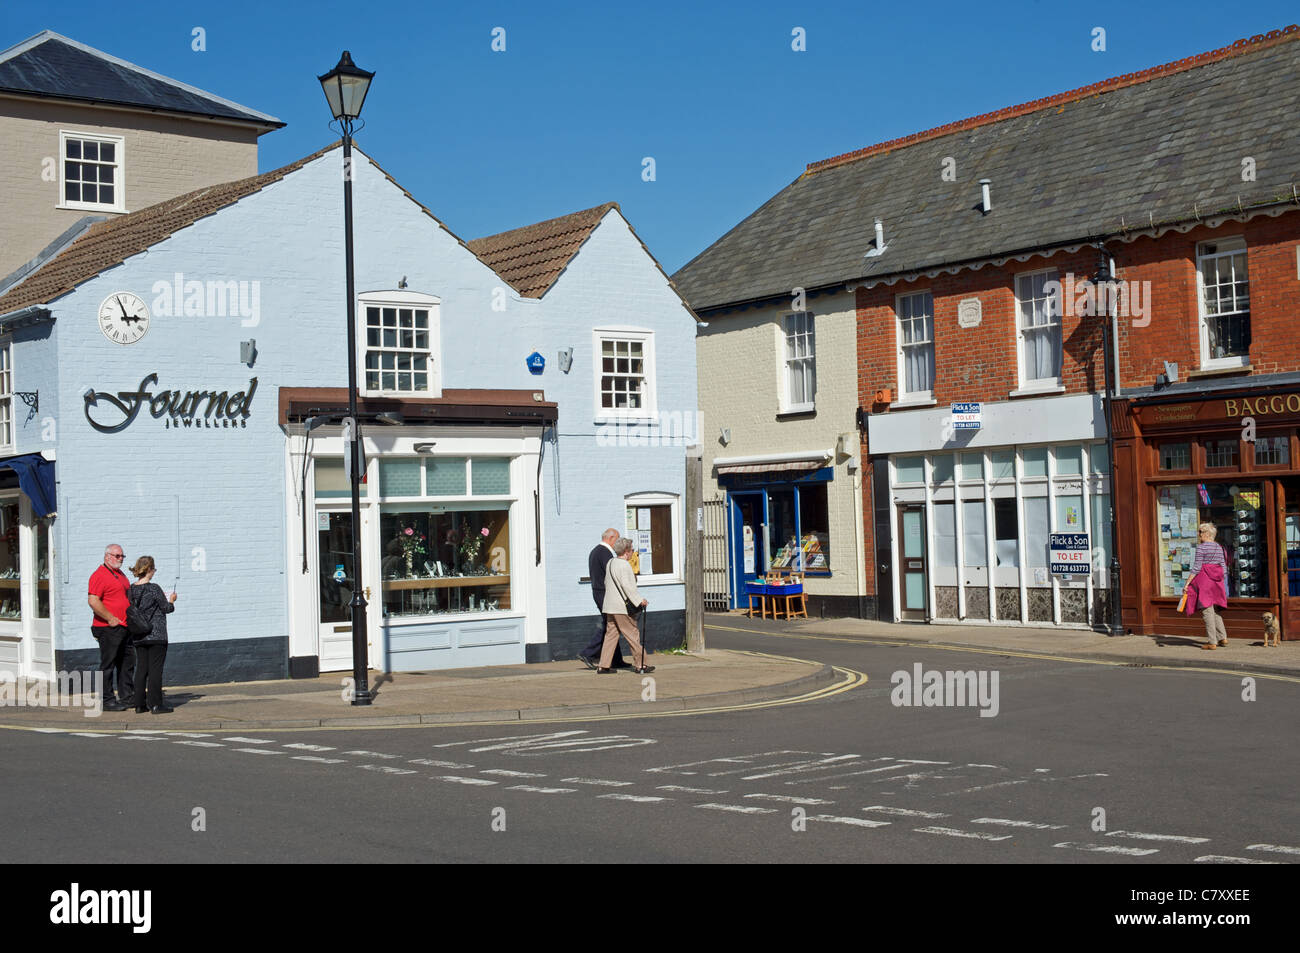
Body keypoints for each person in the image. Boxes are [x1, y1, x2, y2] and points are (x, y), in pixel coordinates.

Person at [126, 556, 177, 713]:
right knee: (155, 670)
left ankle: (139, 704)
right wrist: (172, 600)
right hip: (156, 634)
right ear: (148, 570)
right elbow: (166, 608)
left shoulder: (131, 589)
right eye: (153, 569)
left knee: (141, 669)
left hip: (139, 635)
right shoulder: (154, 588)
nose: (154, 572)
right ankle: (155, 704)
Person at [87, 543, 134, 711]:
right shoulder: (99, 575)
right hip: (108, 628)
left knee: (127, 663)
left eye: (122, 556)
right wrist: (110, 618)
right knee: (108, 664)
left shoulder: (120, 574)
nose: (120, 559)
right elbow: (93, 600)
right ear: (107, 556)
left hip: (125, 626)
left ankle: (127, 696)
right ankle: (107, 700)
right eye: (117, 556)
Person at [599, 537, 654, 674]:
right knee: (632, 634)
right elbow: (628, 586)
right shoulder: (624, 565)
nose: (633, 553)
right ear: (626, 551)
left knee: (611, 635)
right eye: (632, 550)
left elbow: (607, 583)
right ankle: (641, 664)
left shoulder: (610, 563)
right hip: (621, 608)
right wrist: (640, 600)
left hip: (610, 606)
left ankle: (603, 665)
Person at [578, 528, 628, 670]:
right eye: (617, 539)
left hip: (598, 591)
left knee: (613, 624)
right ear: (610, 538)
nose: (617, 543)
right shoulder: (604, 553)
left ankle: (616, 659)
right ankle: (588, 653)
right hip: (604, 593)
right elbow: (613, 573)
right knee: (609, 625)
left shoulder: (595, 551)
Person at [1183, 522, 1229, 650]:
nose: (1199, 535)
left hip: (1205, 582)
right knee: (1215, 610)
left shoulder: (1201, 548)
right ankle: (1223, 638)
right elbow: (1223, 567)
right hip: (1217, 582)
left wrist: (1187, 583)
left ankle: (1212, 641)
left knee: (1207, 611)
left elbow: (1197, 568)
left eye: (1200, 532)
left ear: (1207, 534)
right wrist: (1221, 581)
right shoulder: (1219, 547)